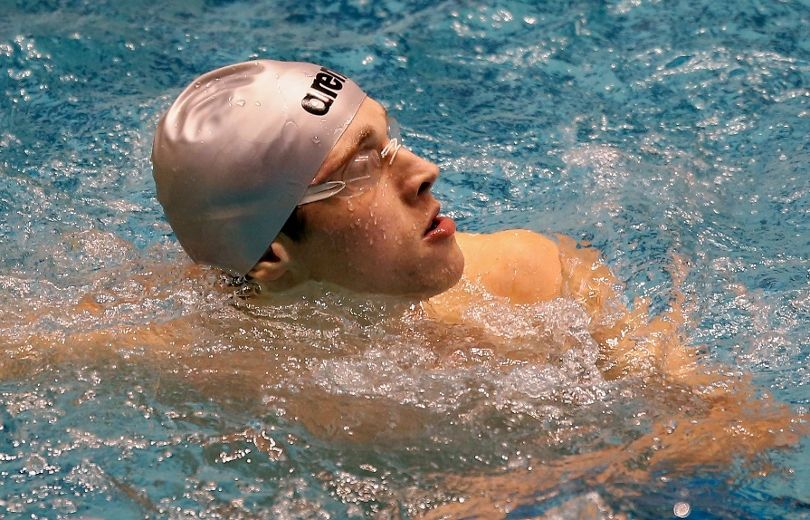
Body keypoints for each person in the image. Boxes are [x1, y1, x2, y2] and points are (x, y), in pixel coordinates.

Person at [150, 59, 804, 516]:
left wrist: (522, 494)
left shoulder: (536, 279)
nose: (422, 171)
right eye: (360, 167)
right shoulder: (211, 374)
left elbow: (743, 430)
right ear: (271, 253)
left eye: (391, 139)